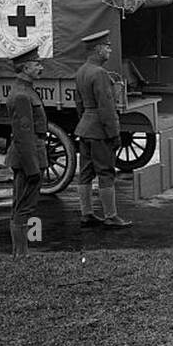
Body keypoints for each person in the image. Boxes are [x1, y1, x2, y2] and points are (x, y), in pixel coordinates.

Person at [75, 29, 129, 229]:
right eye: (107, 47)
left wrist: (85, 123)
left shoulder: (81, 71)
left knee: (86, 172)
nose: (110, 50)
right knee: (106, 172)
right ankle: (110, 216)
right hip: (99, 131)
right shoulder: (100, 73)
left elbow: (79, 103)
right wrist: (114, 133)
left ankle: (86, 213)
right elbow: (106, 108)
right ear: (98, 50)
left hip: (85, 128)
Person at [4, 44, 48, 259]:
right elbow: (23, 136)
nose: (41, 67)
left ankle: (21, 251)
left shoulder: (26, 90)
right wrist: (33, 167)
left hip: (30, 155)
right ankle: (21, 253)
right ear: (25, 68)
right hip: (27, 158)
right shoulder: (22, 95)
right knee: (23, 205)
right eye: (36, 64)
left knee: (24, 204)